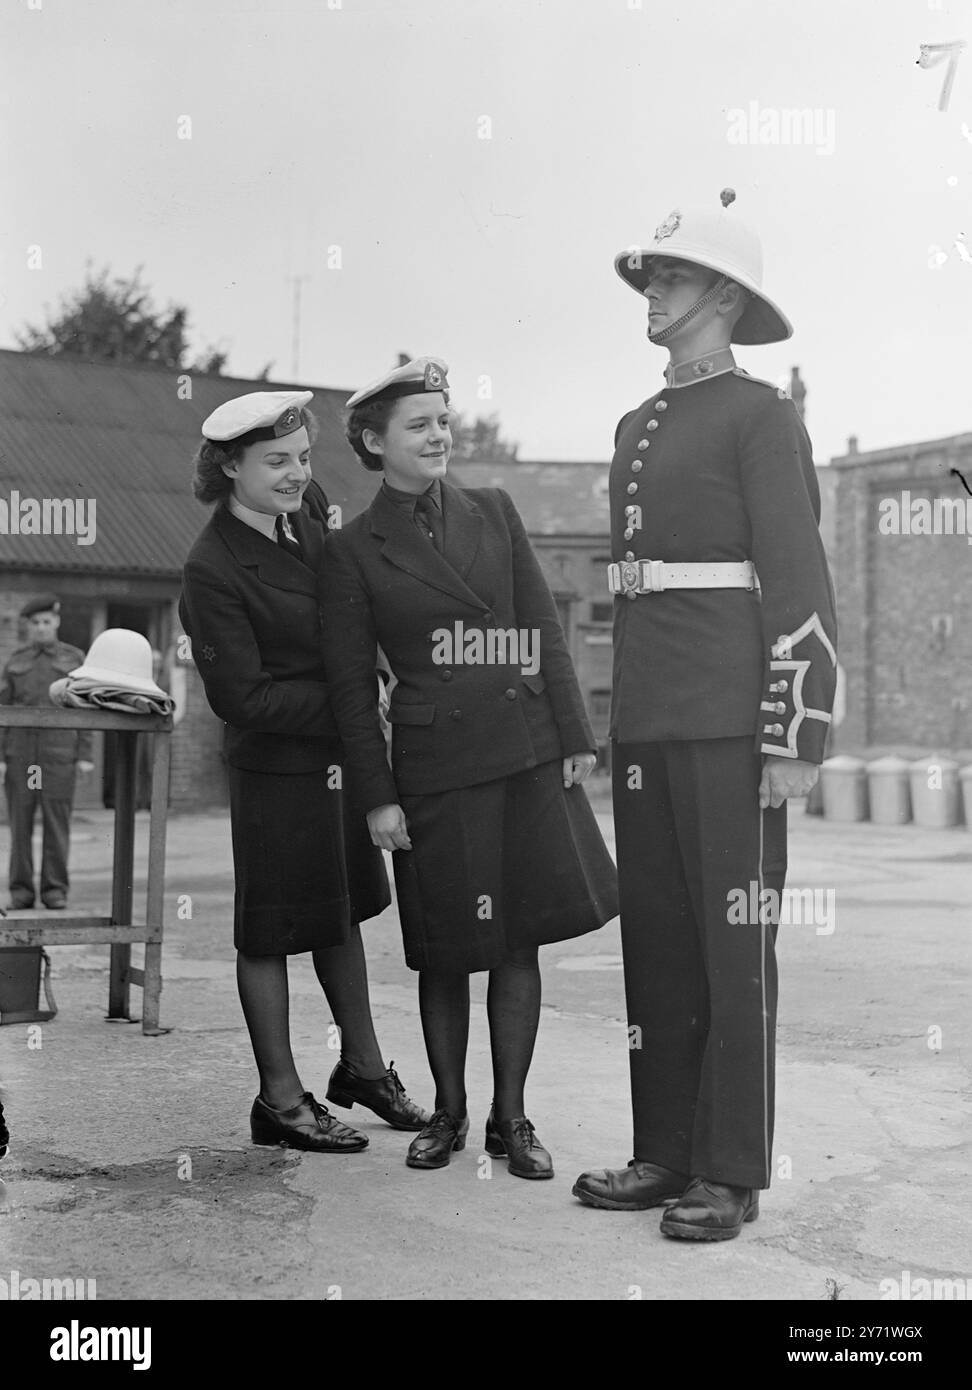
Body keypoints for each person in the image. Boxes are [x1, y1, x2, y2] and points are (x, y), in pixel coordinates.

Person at [573, 192, 838, 1240]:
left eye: (672, 277)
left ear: (723, 295)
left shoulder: (764, 418)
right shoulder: (637, 424)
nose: (653, 291)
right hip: (651, 720)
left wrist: (794, 738)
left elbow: (799, 583)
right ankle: (664, 1150)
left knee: (735, 952)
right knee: (663, 947)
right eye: (647, 277)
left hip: (735, 719)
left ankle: (730, 1169)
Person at [321, 356, 619, 1177]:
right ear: (374, 442)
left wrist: (575, 737)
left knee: (519, 941)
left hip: (521, 753)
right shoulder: (353, 551)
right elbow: (352, 694)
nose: (440, 435)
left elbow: (543, 631)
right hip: (433, 769)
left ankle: (510, 1118)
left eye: (445, 420)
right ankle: (447, 1114)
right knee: (447, 948)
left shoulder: (495, 510)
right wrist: (378, 798)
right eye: (419, 424)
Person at [179, 389, 429, 1153]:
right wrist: (351, 703)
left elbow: (347, 604)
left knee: (341, 908)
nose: (296, 475)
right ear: (230, 467)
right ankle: (280, 1101)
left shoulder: (308, 508)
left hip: (336, 761)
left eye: (302, 458)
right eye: (275, 462)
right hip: (276, 771)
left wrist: (374, 678)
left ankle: (360, 1069)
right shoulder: (212, 567)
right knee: (268, 931)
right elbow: (242, 697)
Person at [0, 595, 94, 910]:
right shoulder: (15, 660)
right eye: (36, 623)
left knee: (57, 824)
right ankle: (21, 892)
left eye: (46, 622)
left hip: (58, 753)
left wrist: (85, 754)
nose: (41, 628)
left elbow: (85, 709)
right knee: (20, 823)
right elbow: (3, 711)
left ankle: (55, 890)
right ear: (29, 626)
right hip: (21, 755)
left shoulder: (74, 659)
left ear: (56, 622)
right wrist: (0, 757)